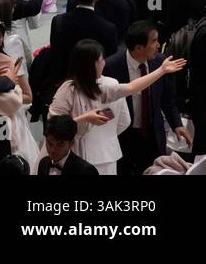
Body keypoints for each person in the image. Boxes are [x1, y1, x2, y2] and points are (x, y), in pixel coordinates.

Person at [48, 38, 185, 175]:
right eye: (101, 60)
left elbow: (131, 87)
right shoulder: (68, 89)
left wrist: (161, 70)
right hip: (75, 154)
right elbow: (53, 124)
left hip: (106, 154)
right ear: (89, 64)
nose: (104, 63)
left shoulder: (103, 85)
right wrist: (85, 118)